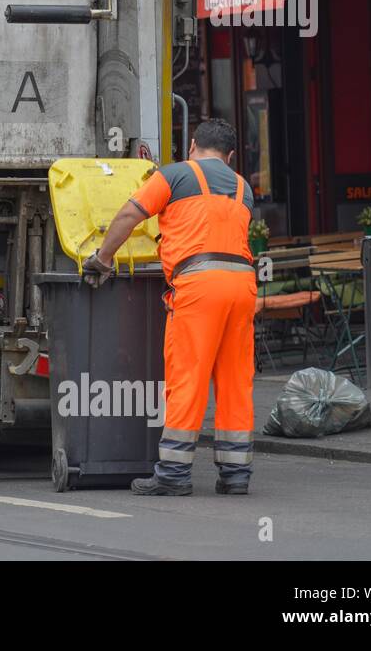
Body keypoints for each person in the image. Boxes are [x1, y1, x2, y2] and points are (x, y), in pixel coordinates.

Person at [81, 119, 256, 496]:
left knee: (187, 378)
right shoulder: (244, 187)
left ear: (192, 145)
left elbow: (130, 215)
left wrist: (104, 258)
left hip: (198, 286)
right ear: (229, 156)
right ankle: (235, 475)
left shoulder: (174, 175)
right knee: (235, 380)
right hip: (242, 286)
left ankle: (174, 474)